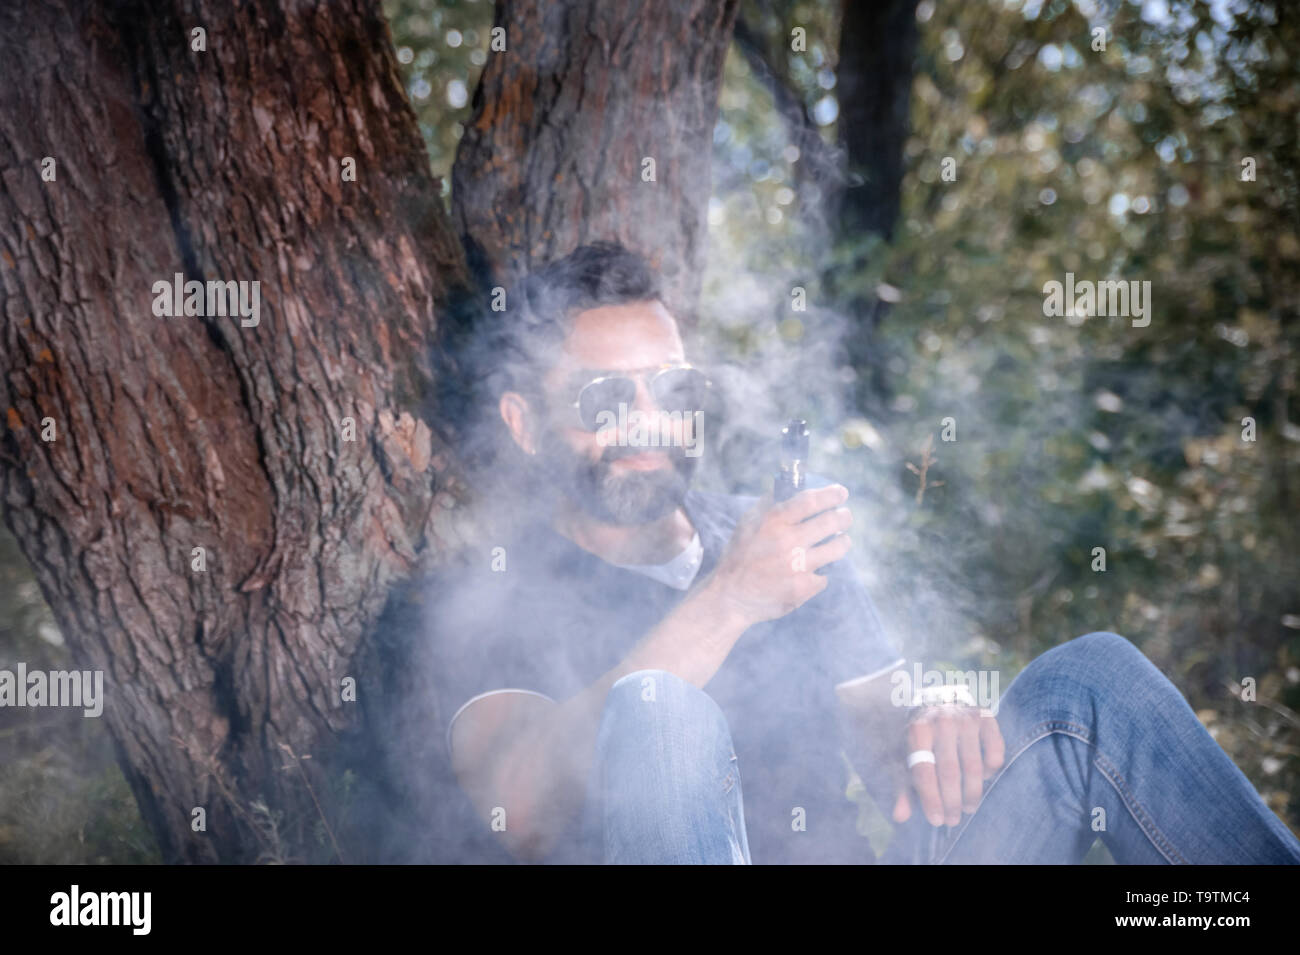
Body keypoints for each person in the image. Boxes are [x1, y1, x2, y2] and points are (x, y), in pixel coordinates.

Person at [427, 241, 1300, 865]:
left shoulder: (783, 537)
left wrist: (943, 720)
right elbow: (524, 807)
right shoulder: (493, 594)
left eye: (673, 388)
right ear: (523, 421)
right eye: (605, 393)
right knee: (659, 709)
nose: (649, 419)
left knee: (1090, 682)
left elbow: (896, 754)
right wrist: (729, 598)